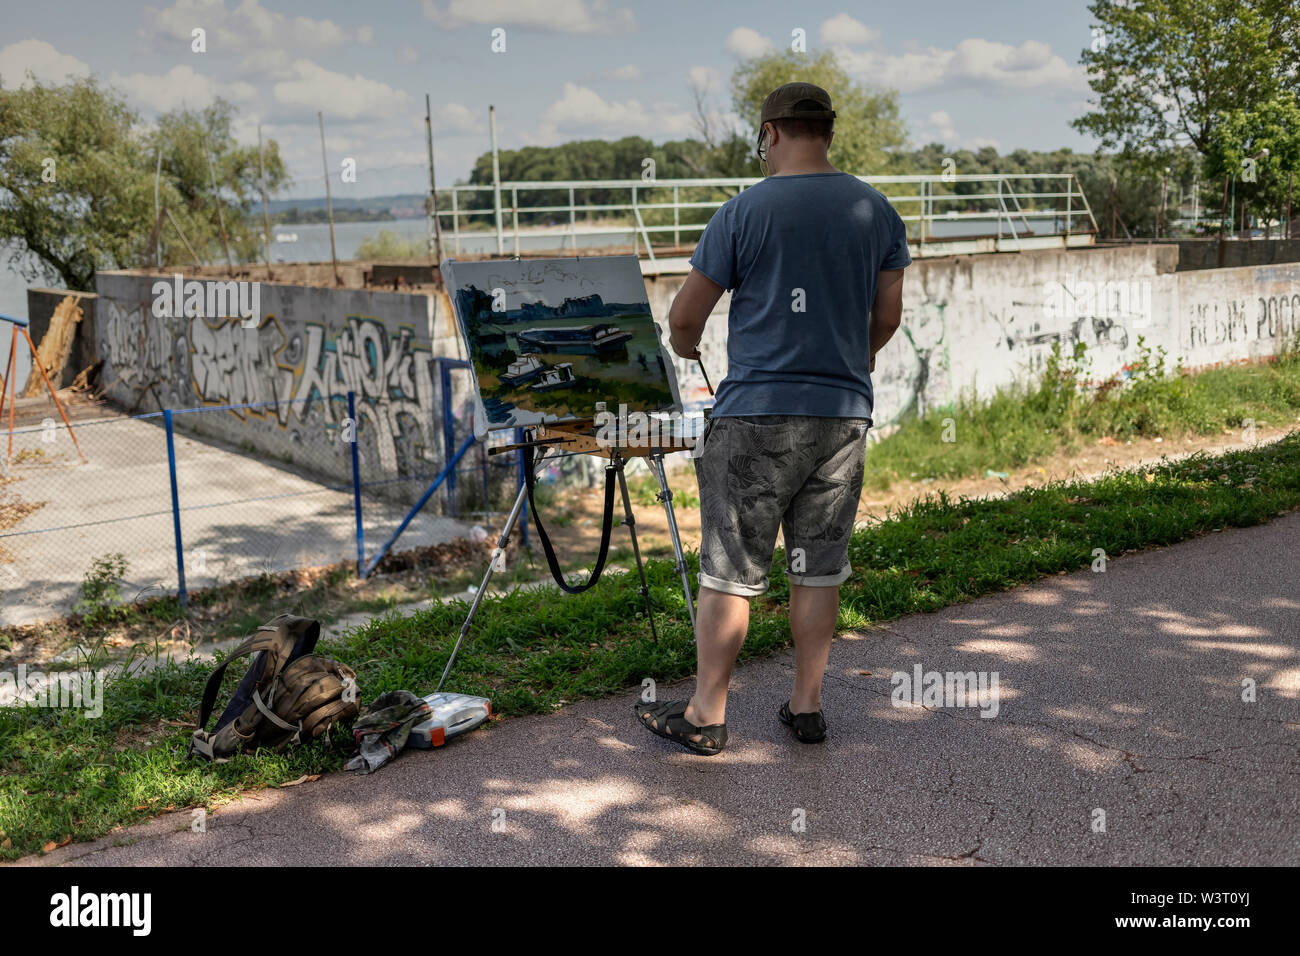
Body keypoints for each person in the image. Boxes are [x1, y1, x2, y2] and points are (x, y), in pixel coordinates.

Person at [636, 82, 910, 755]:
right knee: (817, 566)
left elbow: (682, 317)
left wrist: (685, 348)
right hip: (843, 415)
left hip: (757, 416)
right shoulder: (875, 210)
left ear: (771, 133)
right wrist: (849, 361)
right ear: (828, 132)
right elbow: (887, 319)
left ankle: (706, 713)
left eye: (762, 141)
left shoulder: (744, 211)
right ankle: (806, 705)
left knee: (730, 570)